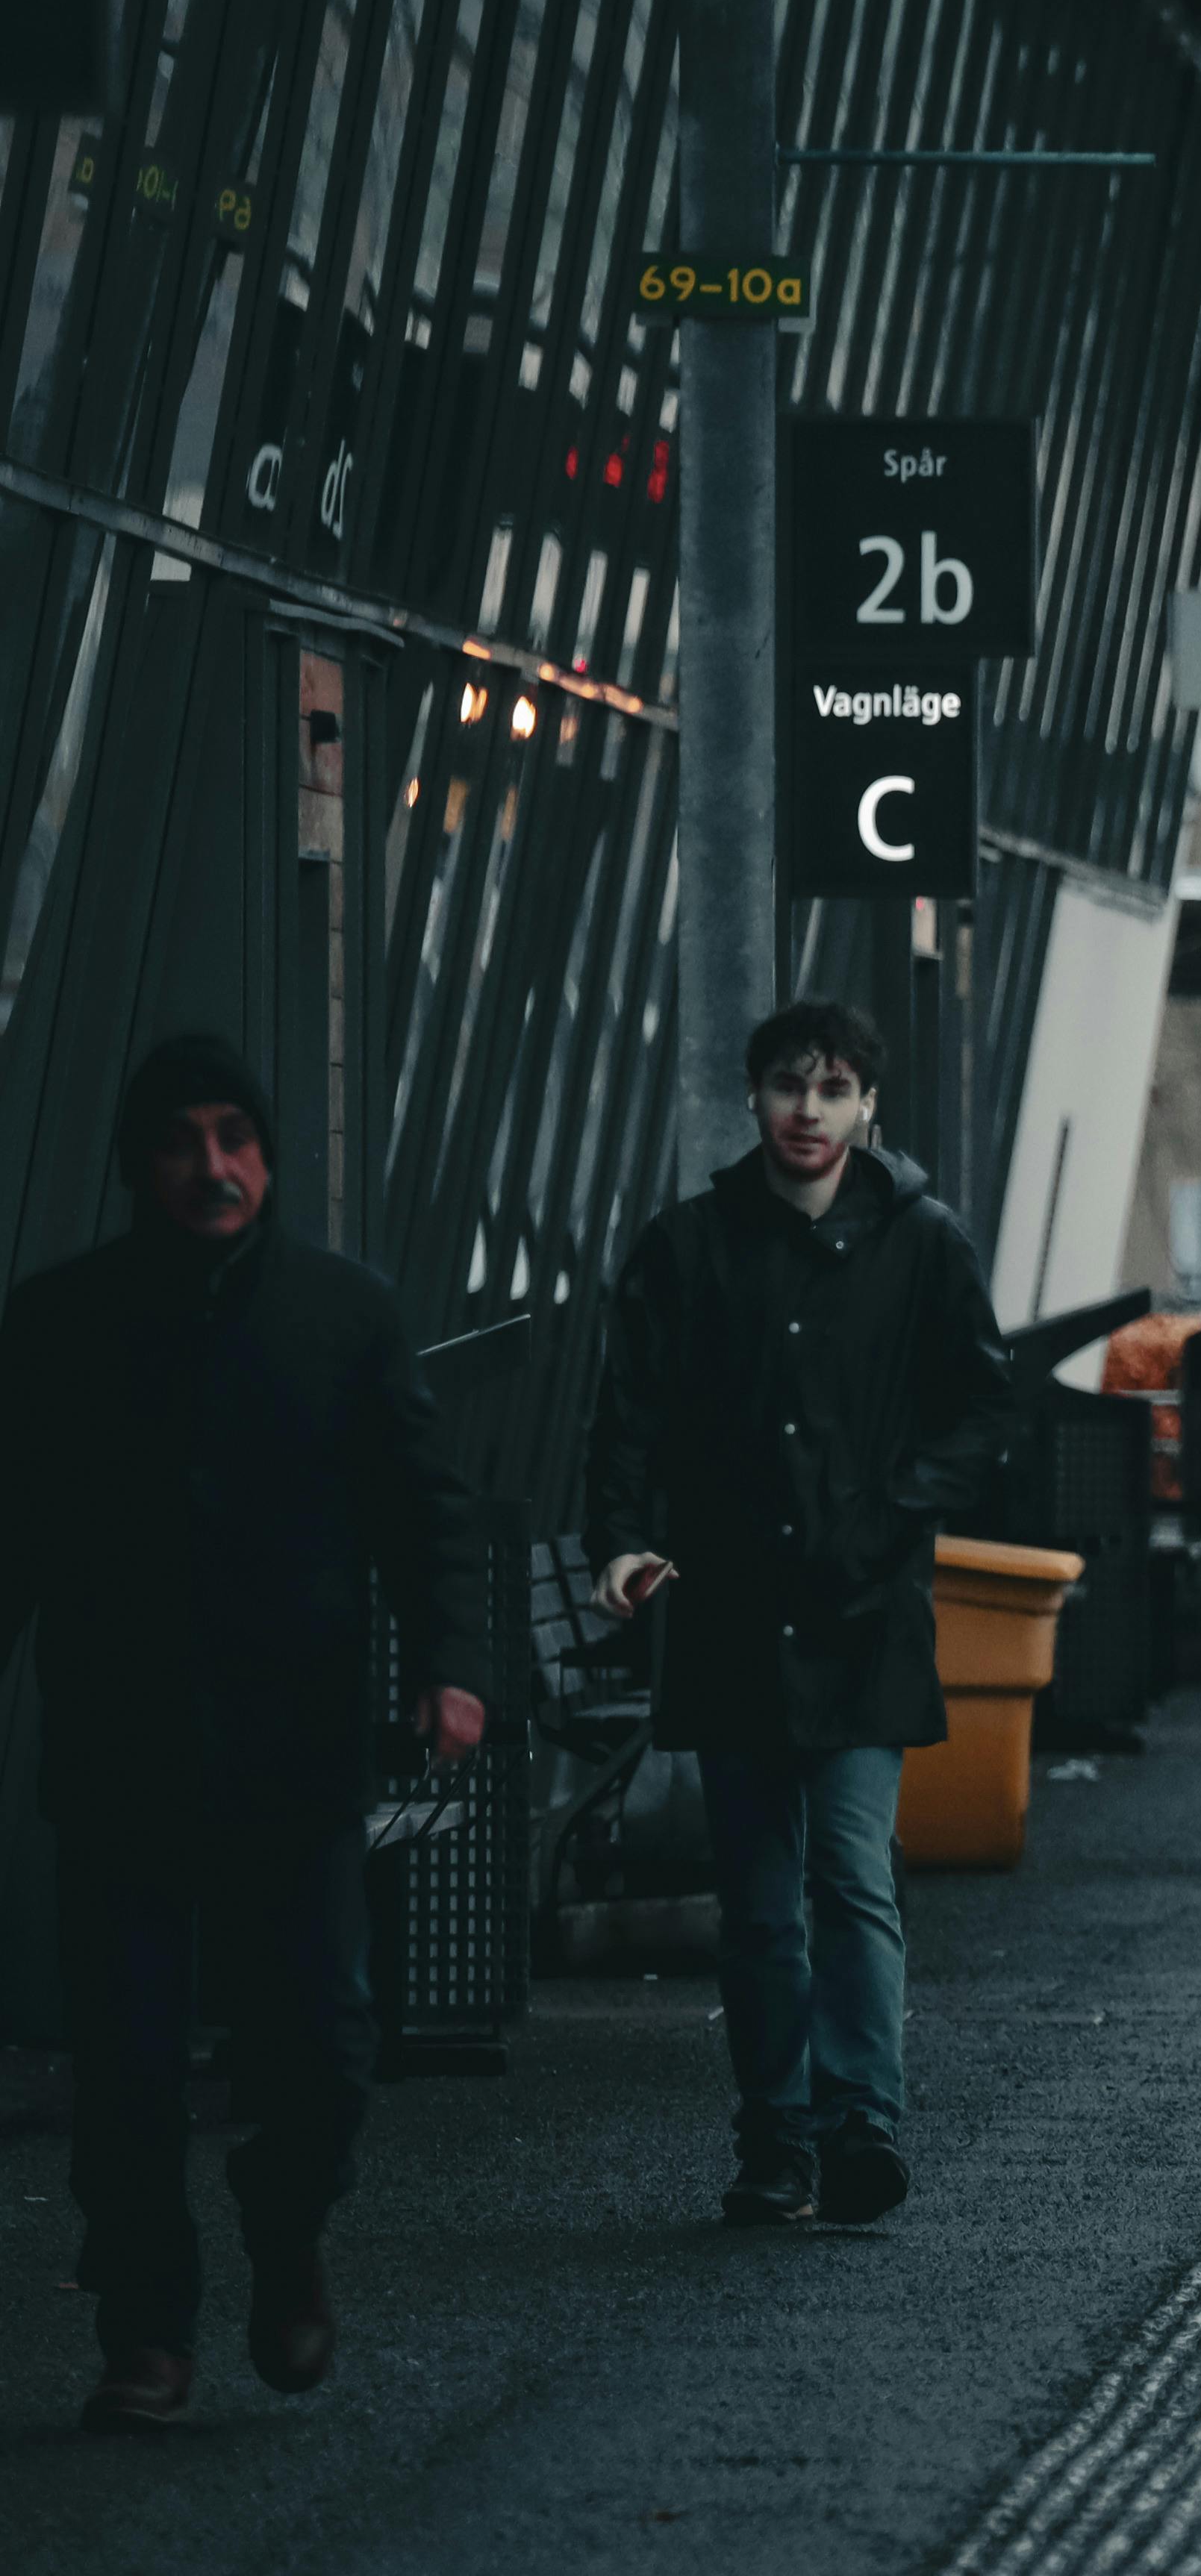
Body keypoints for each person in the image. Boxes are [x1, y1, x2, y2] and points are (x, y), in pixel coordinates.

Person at [0, 1033, 492, 2433]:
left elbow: (426, 1513)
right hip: (120, 1757)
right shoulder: (59, 1326)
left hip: (294, 1759)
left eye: (236, 1136)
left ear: (269, 1153)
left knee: (321, 2046)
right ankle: (146, 2332)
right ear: (138, 1163)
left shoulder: (340, 1317)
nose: (213, 1167)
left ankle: (286, 2243)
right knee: (130, 2061)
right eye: (180, 1141)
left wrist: (452, 1667)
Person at [584, 999, 1016, 2232]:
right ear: (755, 1099)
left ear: (869, 1105)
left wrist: (895, 1509)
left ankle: (859, 2123)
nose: (809, 1111)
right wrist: (623, 1543)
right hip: (731, 1613)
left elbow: (984, 1406)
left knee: (849, 1871)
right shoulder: (689, 1247)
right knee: (761, 1904)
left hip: (863, 1613)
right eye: (789, 1086)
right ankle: (775, 2139)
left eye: (833, 1089)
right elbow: (628, 1421)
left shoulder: (922, 1243)